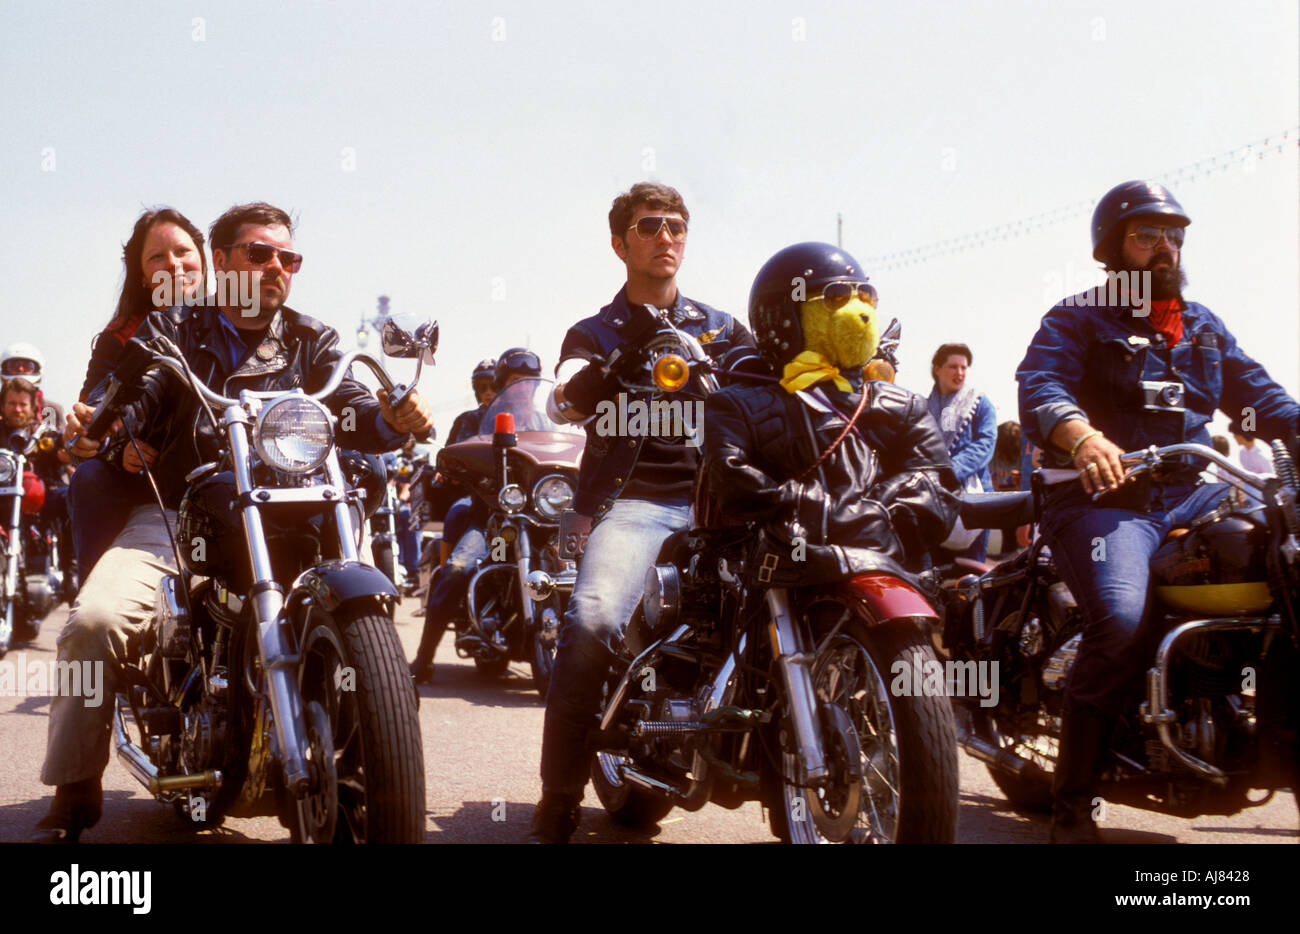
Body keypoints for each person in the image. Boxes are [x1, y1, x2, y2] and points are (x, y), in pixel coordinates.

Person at [33, 201, 433, 842]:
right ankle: (76, 787)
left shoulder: (314, 339)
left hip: (297, 513)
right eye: (259, 253)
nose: (276, 266)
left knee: (368, 606)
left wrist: (395, 419)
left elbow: (353, 406)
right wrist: (102, 427)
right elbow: (138, 396)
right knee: (93, 624)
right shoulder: (174, 332)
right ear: (221, 263)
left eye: (288, 257)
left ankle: (367, 741)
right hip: (177, 516)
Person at [1016, 179, 1299, 844]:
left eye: (1174, 234)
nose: (1165, 247)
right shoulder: (1077, 319)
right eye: (1147, 235)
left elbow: (1260, 399)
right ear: (1113, 248)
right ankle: (1073, 806)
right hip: (1105, 500)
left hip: (1198, 491)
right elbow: (1041, 385)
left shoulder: (1201, 327)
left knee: (1286, 572)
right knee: (1119, 620)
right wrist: (1082, 436)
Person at [528, 181, 754, 842]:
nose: (667, 238)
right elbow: (565, 402)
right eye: (651, 226)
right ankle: (560, 795)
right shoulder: (594, 331)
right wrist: (615, 364)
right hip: (638, 505)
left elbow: (766, 393)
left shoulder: (720, 327)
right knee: (593, 619)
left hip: (723, 506)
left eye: (677, 226)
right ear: (620, 242)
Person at [704, 238, 958, 630]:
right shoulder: (737, 403)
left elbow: (936, 484)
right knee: (600, 612)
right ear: (783, 315)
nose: (859, 312)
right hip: (783, 564)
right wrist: (832, 511)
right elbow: (733, 479)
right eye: (836, 297)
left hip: (881, 563)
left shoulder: (902, 404)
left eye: (866, 296)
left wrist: (864, 516)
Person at [67, 207, 209, 581]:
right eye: (157, 257)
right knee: (90, 477)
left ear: (205, 261)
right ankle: (95, 600)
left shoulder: (236, 322)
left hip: (220, 466)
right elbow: (91, 417)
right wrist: (117, 449)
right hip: (145, 479)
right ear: (144, 277)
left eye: (183, 251)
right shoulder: (119, 339)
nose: (174, 265)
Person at [408, 347, 542, 683]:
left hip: (539, 520)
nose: (523, 387)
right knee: (457, 568)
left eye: (529, 381)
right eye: (515, 381)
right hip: (489, 518)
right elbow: (452, 457)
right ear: (503, 384)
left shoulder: (543, 423)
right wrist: (454, 467)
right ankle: (423, 658)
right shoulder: (478, 421)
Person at [928, 343, 996, 563]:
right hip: (933, 498)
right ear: (937, 369)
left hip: (973, 497)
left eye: (964, 368)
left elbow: (985, 443)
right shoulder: (923, 407)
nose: (959, 373)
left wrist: (949, 472)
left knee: (971, 575)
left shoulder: (978, 402)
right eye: (952, 367)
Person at [990, 420, 1024, 557]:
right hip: (1000, 501)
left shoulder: (1023, 457)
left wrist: (1021, 479)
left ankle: (1011, 553)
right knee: (1007, 531)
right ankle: (1007, 554)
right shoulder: (993, 454)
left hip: (1019, 503)